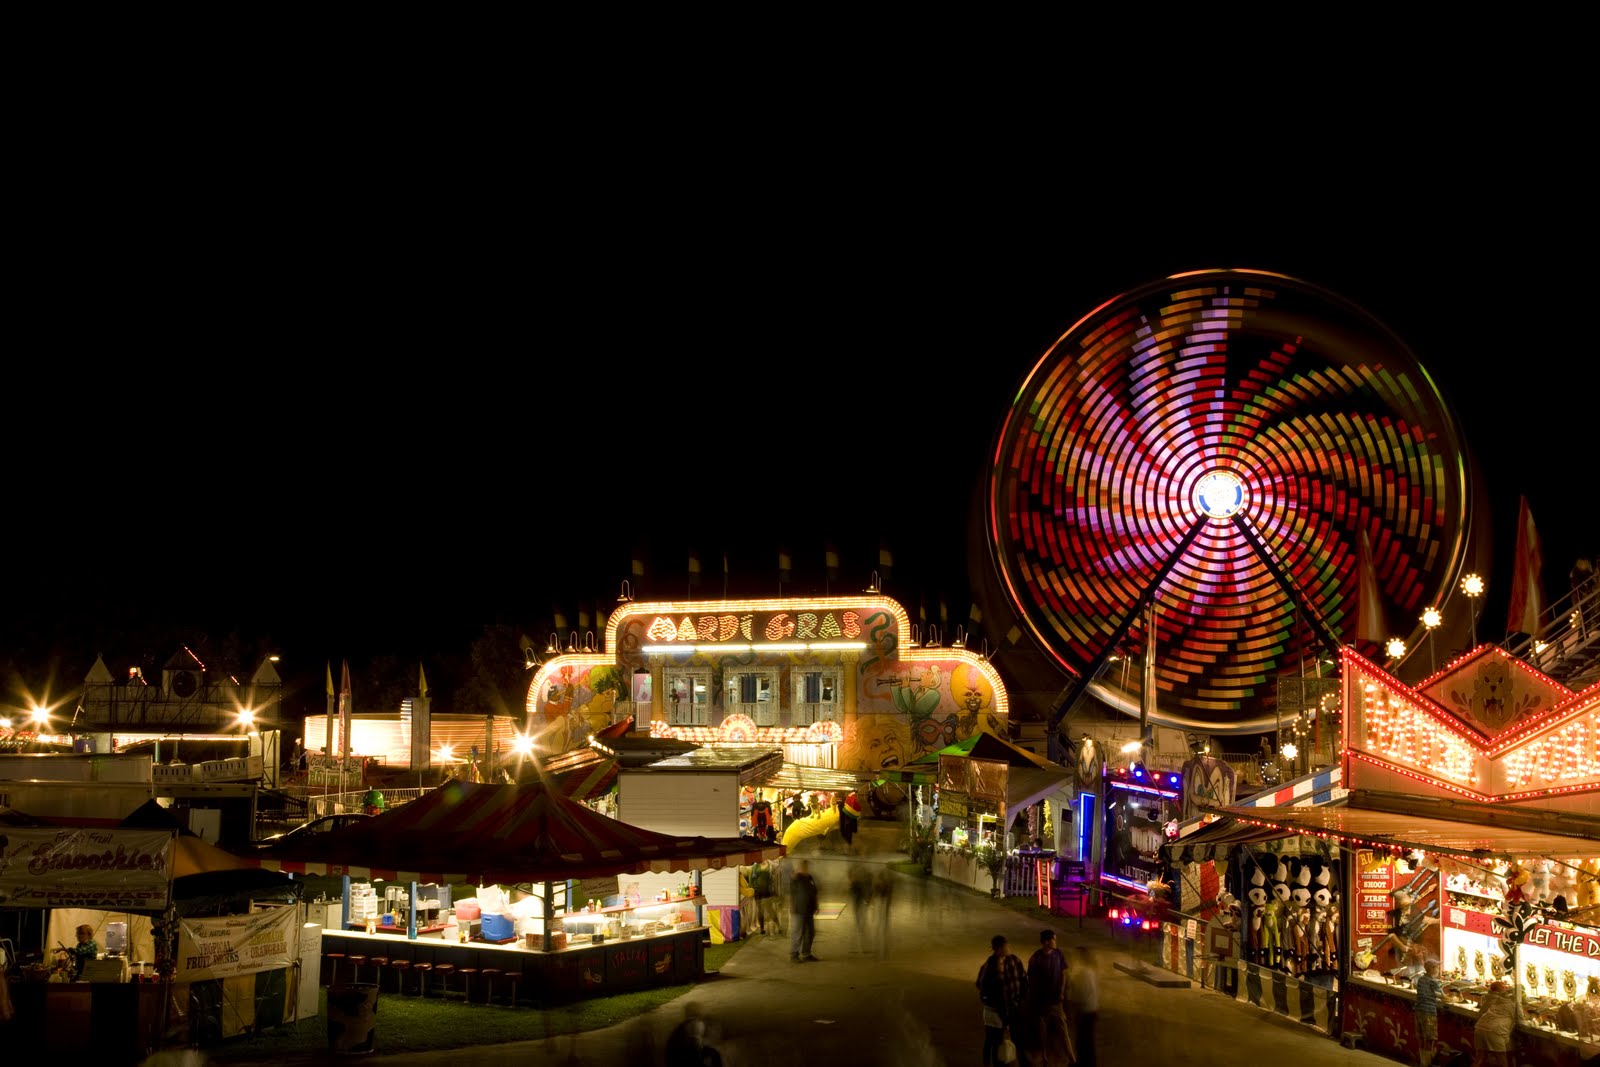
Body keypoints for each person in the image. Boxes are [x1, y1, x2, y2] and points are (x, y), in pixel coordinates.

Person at [976, 933, 1027, 1067]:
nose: (1008, 948)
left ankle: (1021, 1062)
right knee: (993, 1041)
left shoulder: (1014, 960)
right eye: (1005, 946)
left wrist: (1022, 999)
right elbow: (981, 986)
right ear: (998, 949)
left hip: (1013, 1007)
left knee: (1017, 1038)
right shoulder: (990, 965)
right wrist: (997, 977)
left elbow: (1023, 979)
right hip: (995, 1011)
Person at [1027, 928, 1073, 1066]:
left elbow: (1063, 973)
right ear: (1046, 942)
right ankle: (1044, 1057)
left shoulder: (1058, 954)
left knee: (1063, 1030)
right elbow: (1032, 982)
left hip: (1056, 1001)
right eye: (1053, 939)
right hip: (1042, 1003)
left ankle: (1072, 1059)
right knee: (1043, 1032)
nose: (1055, 941)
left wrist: (1061, 991)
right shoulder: (1036, 959)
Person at [1068, 944, 1099, 1067]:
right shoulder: (1090, 971)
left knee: (1083, 1041)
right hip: (1090, 1010)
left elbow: (1081, 994)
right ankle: (1087, 1062)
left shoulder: (1084, 973)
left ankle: (1085, 1063)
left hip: (1085, 1012)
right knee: (1087, 1040)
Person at [1472, 979, 1515, 1067]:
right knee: (1502, 1060)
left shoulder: (1490, 998)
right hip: (1495, 1031)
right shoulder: (1509, 1002)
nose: (1506, 988)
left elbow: (1480, 1013)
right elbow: (1521, 1021)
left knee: (1479, 1057)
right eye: (1504, 987)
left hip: (1480, 1028)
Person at [789, 858, 820, 962]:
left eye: (807, 866)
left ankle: (806, 953)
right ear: (800, 867)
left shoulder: (810, 877)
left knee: (811, 932)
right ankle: (794, 954)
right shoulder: (796, 878)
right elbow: (791, 893)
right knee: (798, 933)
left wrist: (816, 905)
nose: (806, 868)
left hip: (809, 910)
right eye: (804, 866)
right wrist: (792, 906)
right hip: (799, 910)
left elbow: (814, 892)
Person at [1414, 958, 1442, 1067]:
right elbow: (1442, 996)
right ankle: (1427, 1064)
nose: (1439, 969)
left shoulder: (1421, 979)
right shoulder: (1433, 981)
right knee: (1430, 1039)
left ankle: (1422, 1062)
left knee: (1421, 1038)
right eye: (1437, 967)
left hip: (1418, 1010)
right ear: (1432, 969)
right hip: (1429, 1012)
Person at [749, 860, 780, 935]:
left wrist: (775, 891)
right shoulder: (755, 866)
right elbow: (751, 879)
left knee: (770, 910)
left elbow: (773, 880)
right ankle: (762, 929)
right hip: (758, 893)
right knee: (760, 911)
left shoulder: (770, 866)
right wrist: (752, 889)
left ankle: (779, 926)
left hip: (767, 892)